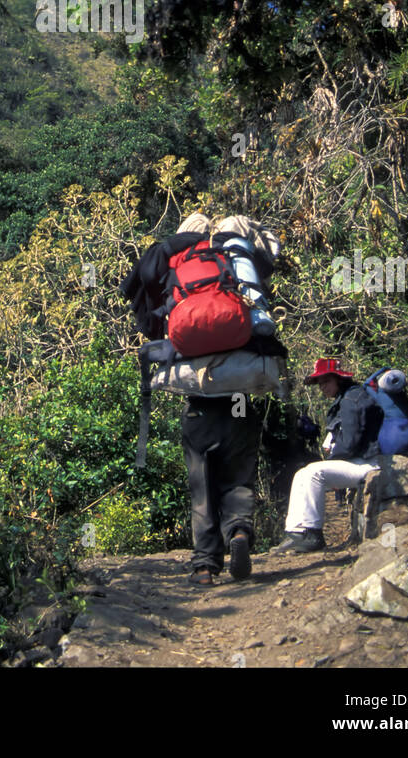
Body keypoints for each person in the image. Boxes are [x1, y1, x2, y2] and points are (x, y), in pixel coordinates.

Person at [121, 212, 282, 586]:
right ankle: (239, 532)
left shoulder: (174, 267)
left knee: (202, 484)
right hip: (240, 393)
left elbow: (148, 323)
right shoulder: (231, 262)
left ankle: (206, 566)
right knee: (239, 475)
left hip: (198, 399)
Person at [273, 356, 384, 554]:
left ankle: (312, 535)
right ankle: (296, 533)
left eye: (326, 381)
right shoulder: (348, 397)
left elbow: (350, 443)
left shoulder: (352, 400)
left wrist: (332, 460)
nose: (322, 387)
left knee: (312, 474)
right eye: (319, 383)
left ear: (339, 379)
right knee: (303, 473)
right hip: (362, 460)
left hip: (370, 463)